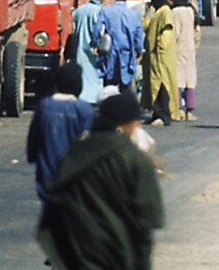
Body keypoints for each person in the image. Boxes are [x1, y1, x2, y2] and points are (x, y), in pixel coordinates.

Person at [37, 92, 165, 269]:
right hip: (117, 257)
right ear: (127, 123)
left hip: (77, 254)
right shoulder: (136, 160)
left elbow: (53, 207)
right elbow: (146, 223)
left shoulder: (74, 154)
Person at [26, 63, 95, 202]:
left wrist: (32, 155)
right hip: (75, 176)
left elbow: (34, 137)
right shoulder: (84, 109)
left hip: (47, 173)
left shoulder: (45, 106)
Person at [141, 0, 178, 127]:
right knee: (153, 87)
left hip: (161, 59)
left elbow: (167, 32)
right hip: (153, 58)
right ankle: (156, 113)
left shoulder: (165, 12)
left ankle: (164, 115)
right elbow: (147, 27)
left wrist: (160, 47)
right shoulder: (157, 12)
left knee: (162, 87)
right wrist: (147, 12)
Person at [99, 0, 145, 95]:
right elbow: (138, 36)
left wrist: (96, 45)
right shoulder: (133, 14)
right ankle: (124, 109)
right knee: (126, 86)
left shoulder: (105, 11)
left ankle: (109, 109)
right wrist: (139, 51)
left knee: (109, 85)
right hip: (127, 55)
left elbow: (97, 31)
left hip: (109, 55)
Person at [71, 0, 106, 104]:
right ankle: (94, 98)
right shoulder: (101, 11)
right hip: (94, 48)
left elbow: (72, 26)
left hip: (80, 47)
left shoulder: (80, 10)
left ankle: (81, 95)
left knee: (82, 72)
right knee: (95, 75)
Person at [171, 0, 200, 121]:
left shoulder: (176, 12)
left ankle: (179, 109)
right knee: (190, 80)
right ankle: (190, 110)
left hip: (178, 49)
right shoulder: (191, 11)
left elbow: (175, 33)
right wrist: (195, 46)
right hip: (190, 49)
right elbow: (197, 32)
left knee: (178, 80)